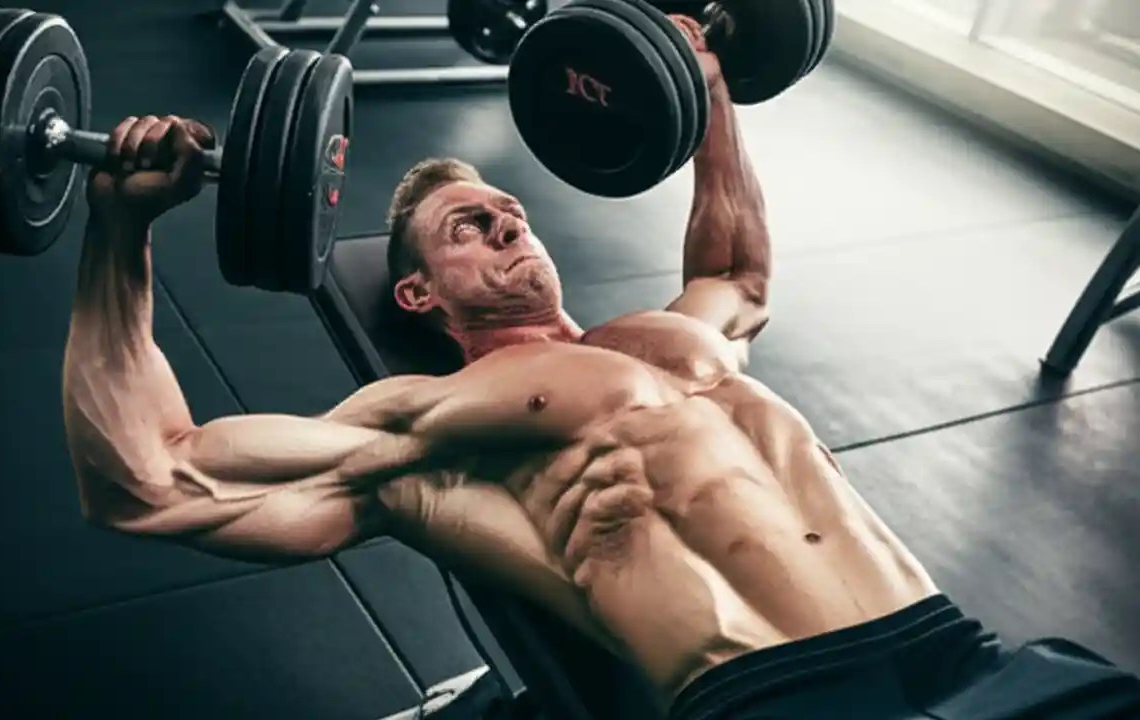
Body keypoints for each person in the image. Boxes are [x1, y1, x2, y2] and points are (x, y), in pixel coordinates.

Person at [61, 16, 1139, 720]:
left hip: (966, 656)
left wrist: (707, 85)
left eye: (508, 211)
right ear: (415, 298)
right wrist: (119, 231)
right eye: (464, 227)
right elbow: (153, 479)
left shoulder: (668, 338)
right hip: (775, 699)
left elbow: (737, 272)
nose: (503, 220)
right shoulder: (428, 425)